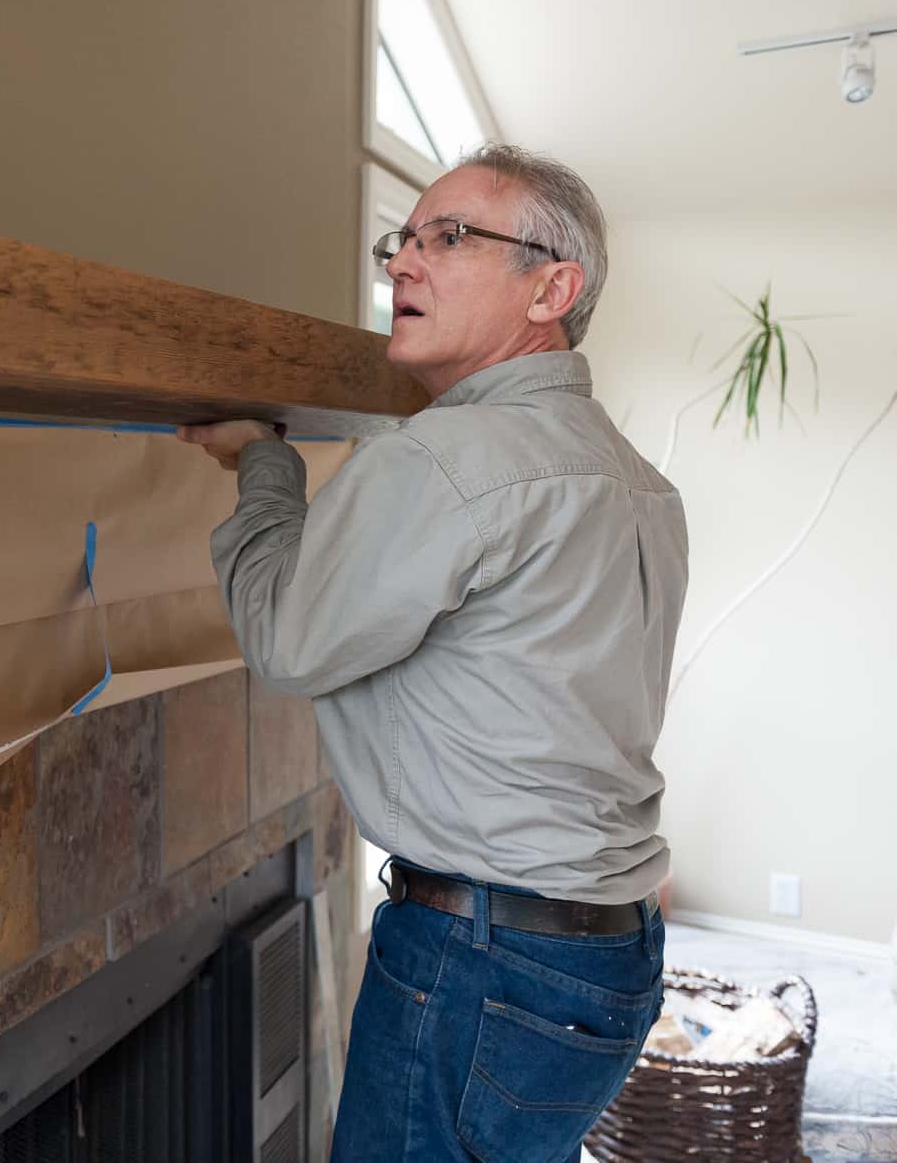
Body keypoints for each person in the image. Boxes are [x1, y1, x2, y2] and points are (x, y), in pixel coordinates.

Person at [180, 144, 687, 1162]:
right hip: (603, 955)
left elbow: (287, 639)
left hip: (484, 962)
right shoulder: (636, 480)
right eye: (402, 240)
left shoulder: (450, 460)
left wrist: (263, 466)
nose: (403, 264)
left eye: (450, 237)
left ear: (553, 287)